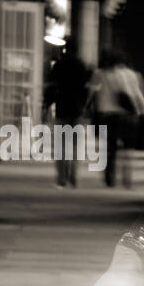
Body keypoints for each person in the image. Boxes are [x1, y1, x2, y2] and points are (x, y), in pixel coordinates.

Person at [89, 49, 144, 187]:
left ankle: (109, 177)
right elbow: (136, 94)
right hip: (125, 114)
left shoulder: (100, 74)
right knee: (128, 146)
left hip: (105, 115)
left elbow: (92, 92)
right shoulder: (132, 75)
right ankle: (127, 176)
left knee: (109, 147)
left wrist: (89, 107)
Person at [43, 48, 90, 187]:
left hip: (62, 107)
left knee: (60, 144)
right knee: (76, 145)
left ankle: (62, 177)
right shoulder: (81, 66)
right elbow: (85, 88)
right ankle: (73, 175)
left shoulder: (59, 65)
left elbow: (51, 86)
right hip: (77, 109)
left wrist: (47, 104)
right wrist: (84, 106)